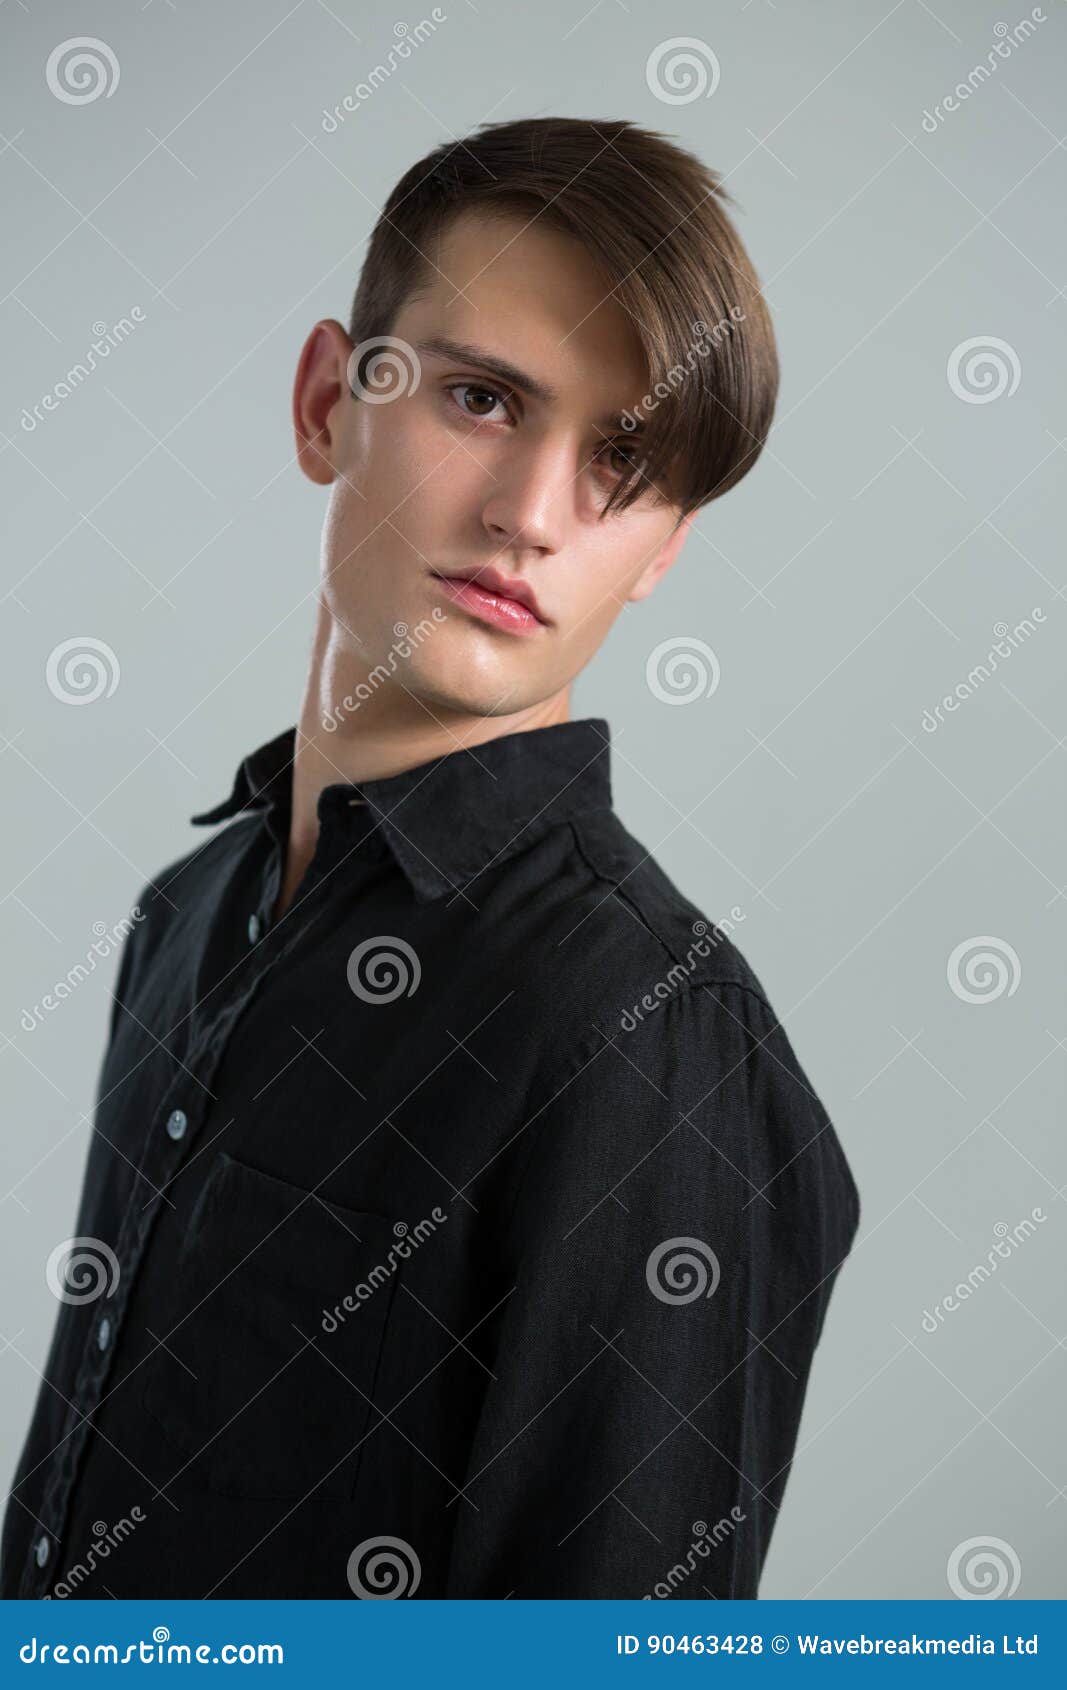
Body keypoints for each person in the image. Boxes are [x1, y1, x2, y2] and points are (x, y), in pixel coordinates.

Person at [2, 116, 860, 1600]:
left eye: (622, 462)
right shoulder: (184, 916)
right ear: (327, 405)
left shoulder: (645, 1028)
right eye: (481, 398)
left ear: (664, 548)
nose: (530, 516)